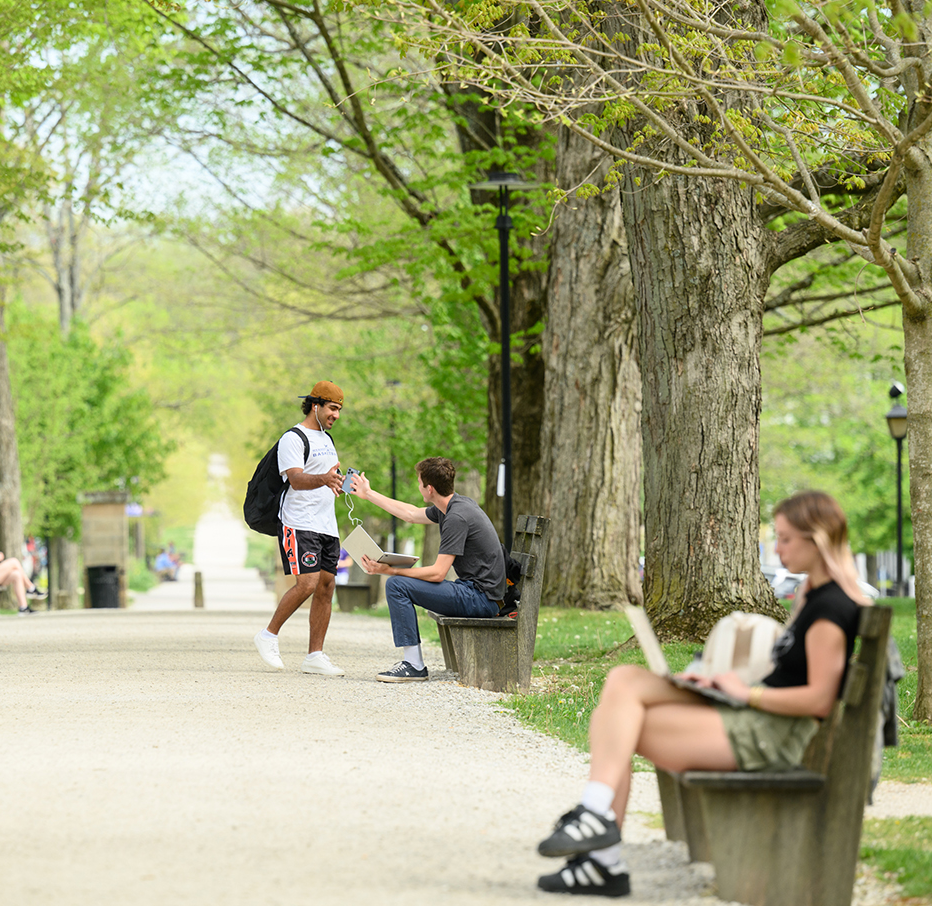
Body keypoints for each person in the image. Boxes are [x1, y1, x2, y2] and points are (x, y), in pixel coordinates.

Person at [531, 490, 872, 897]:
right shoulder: (812, 595)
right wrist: (716, 681)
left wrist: (747, 695)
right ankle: (596, 822)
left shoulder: (830, 610)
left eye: (785, 539)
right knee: (624, 680)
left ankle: (600, 845)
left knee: (621, 724)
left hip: (770, 734)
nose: (777, 549)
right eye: (777, 538)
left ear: (816, 540)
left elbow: (817, 700)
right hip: (755, 714)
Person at [348, 457, 505, 684]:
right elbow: (410, 514)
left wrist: (390, 571)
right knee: (398, 581)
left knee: (396, 584)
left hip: (480, 599)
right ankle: (413, 663)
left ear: (429, 488)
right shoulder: (453, 506)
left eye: (419, 482)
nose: (418, 485)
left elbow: (437, 573)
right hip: (479, 593)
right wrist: (368, 494)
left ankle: (414, 665)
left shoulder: (456, 518)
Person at [252, 380, 347, 677]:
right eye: (332, 408)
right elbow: (295, 479)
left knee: (326, 586)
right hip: (299, 522)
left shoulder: (327, 440)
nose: (336, 416)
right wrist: (324, 479)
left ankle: (315, 656)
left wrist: (340, 481)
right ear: (315, 405)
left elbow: (326, 477)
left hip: (326, 524)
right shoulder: (293, 438)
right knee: (306, 584)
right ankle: (268, 635)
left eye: (340, 410)